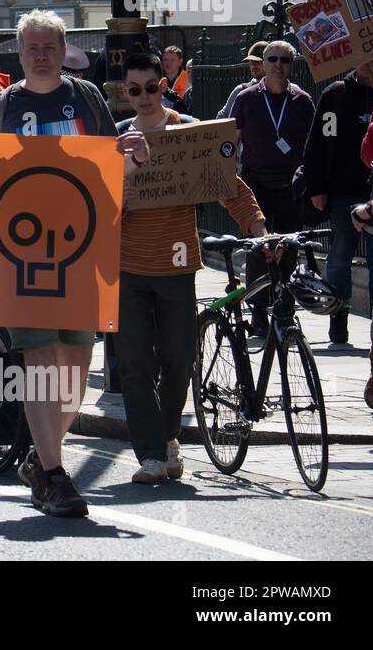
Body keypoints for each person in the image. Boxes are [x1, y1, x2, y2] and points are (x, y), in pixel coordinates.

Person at [0, 10, 149, 517]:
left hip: (80, 249)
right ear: (20, 52)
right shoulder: (2, 108)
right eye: (32, 47)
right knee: (41, 362)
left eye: (50, 45)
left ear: (63, 48)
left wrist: (130, 154)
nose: (41, 54)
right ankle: (53, 475)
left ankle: (39, 456)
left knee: (75, 369)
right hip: (21, 253)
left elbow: (109, 159)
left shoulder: (86, 97)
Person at [115, 53, 267, 484]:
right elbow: (103, 205)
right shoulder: (119, 141)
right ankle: (149, 454)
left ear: (163, 86)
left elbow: (229, 186)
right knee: (133, 364)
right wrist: (128, 173)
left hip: (177, 262)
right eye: (134, 90)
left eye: (151, 87)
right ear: (125, 94)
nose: (143, 97)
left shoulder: (187, 132)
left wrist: (257, 226)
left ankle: (167, 438)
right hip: (128, 265)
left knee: (180, 358)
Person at [230, 40, 315, 341]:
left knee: (289, 248)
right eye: (273, 59)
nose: (279, 65)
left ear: (292, 65)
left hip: (290, 183)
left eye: (285, 60)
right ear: (263, 64)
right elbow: (233, 139)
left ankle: (285, 308)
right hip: (256, 182)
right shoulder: (247, 98)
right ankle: (258, 312)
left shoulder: (302, 101)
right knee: (258, 249)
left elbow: (313, 147)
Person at [301, 61, 373, 345]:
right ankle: (339, 319)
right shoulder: (336, 94)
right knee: (339, 258)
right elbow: (318, 144)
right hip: (343, 192)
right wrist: (317, 186)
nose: (368, 63)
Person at [215, 42, 268, 120]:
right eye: (251, 62)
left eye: (258, 61)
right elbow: (222, 117)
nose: (253, 65)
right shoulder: (241, 89)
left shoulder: (282, 89)